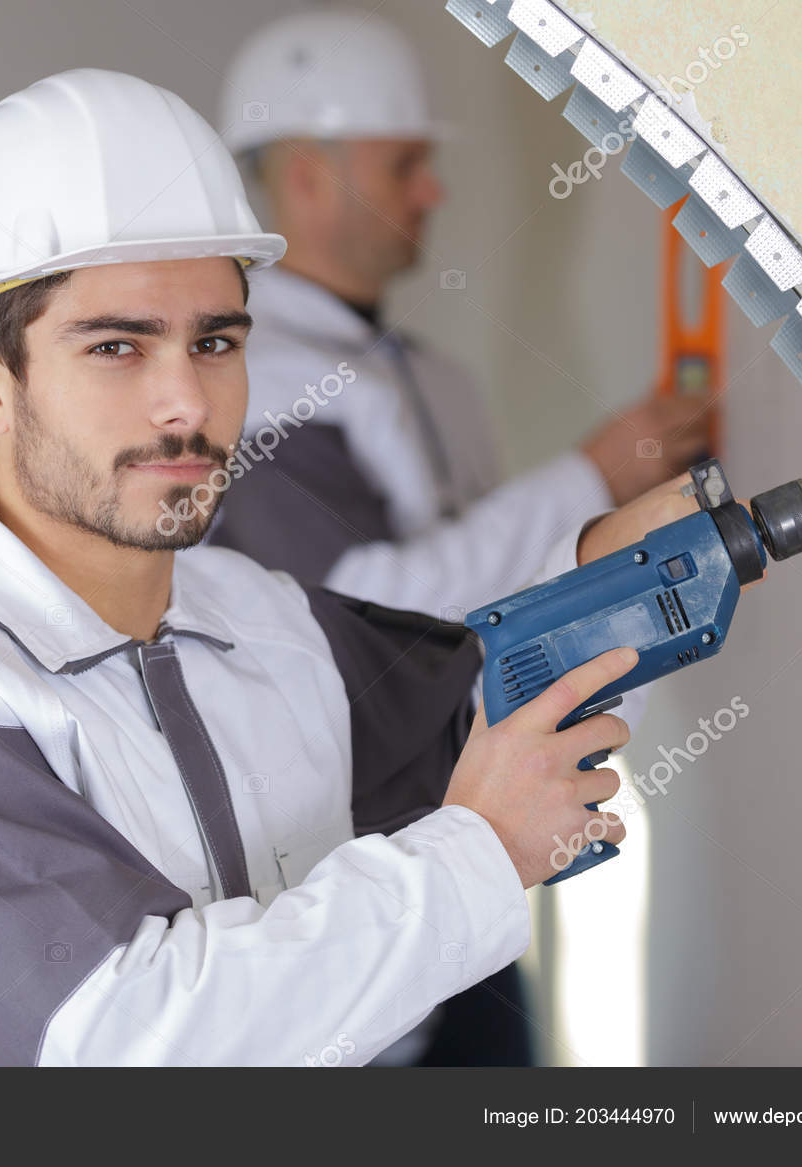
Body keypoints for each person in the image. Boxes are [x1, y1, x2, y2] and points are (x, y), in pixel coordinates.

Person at [0, 68, 690, 1066]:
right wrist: (476, 858)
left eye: (214, 341)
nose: (186, 404)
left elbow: (495, 707)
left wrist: (640, 562)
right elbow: (123, 1038)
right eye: (118, 347)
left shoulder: (265, 623)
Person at [212, 9, 710, 1065]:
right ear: (307, 177)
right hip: (359, 891)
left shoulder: (428, 374)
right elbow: (361, 608)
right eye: (405, 166)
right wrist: (589, 482)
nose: (433, 192)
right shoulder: (253, 382)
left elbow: (498, 601)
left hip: (473, 857)